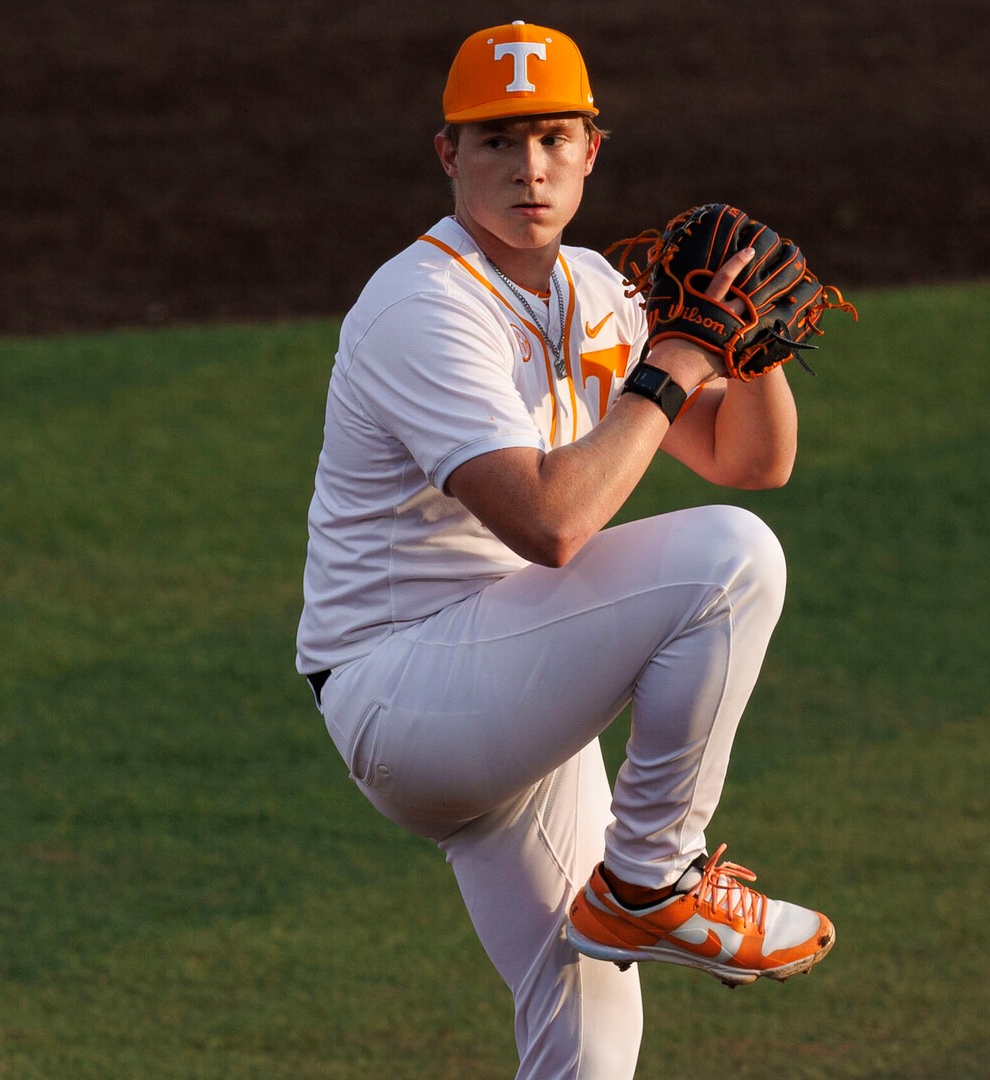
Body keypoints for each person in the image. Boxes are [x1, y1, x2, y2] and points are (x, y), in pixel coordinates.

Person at [295, 21, 835, 1078]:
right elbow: (549, 524)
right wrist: (675, 357)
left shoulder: (591, 285)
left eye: (551, 138)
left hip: (516, 679)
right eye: (497, 142)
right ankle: (650, 879)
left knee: (589, 1024)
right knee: (731, 560)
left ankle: (632, 897)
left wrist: (748, 352)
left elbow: (744, 458)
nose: (528, 169)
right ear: (448, 154)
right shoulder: (421, 305)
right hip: (411, 690)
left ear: (593, 148)